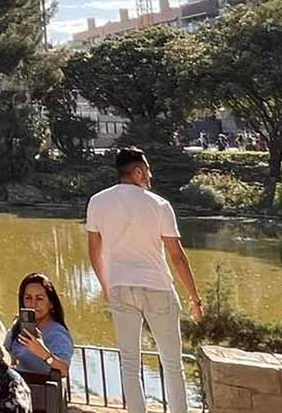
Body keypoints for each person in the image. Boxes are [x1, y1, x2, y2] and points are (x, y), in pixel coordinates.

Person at [86, 147, 203, 413]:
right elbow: (177, 257)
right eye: (147, 170)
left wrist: (106, 287)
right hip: (157, 286)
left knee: (129, 365)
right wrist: (195, 298)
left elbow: (94, 252)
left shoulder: (97, 202)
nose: (150, 175)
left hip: (120, 286)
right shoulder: (159, 205)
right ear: (138, 172)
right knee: (172, 364)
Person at [3, 273, 73, 379]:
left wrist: (43, 353)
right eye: (28, 298)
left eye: (39, 299)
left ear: (51, 303)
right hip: (15, 384)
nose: (33, 304)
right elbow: (4, 351)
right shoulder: (18, 325)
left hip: (43, 387)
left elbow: (64, 370)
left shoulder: (57, 333)